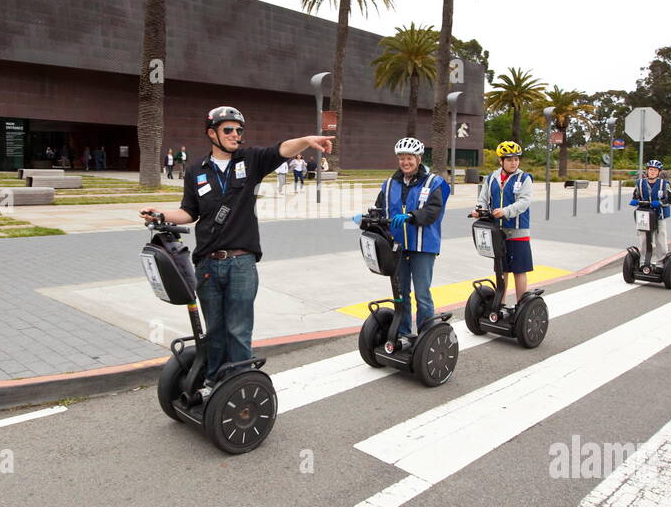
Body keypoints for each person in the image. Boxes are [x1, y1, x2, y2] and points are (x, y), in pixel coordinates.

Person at [140, 106, 333, 388]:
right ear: (212, 133)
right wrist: (161, 216)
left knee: (239, 330)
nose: (235, 135)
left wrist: (306, 141)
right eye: (228, 129)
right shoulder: (196, 171)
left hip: (241, 263)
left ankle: (239, 387)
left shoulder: (250, 160)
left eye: (239, 130)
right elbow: (189, 212)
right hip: (207, 264)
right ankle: (213, 384)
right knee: (215, 332)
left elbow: (281, 149)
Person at [370, 137, 450, 345]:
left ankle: (426, 336)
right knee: (401, 292)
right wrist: (366, 218)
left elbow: (433, 211)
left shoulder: (434, 183)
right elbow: (379, 207)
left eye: (410, 158)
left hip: (423, 246)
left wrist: (413, 216)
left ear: (419, 158)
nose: (405, 162)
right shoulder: (389, 184)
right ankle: (404, 332)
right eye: (402, 158)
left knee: (422, 294)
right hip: (397, 247)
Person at [475, 140, 534, 304]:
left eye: (516, 159)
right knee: (502, 270)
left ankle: (521, 308)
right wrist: (478, 210)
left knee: (519, 270)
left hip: (518, 231)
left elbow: (524, 202)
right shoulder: (491, 178)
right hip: (497, 232)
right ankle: (498, 306)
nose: (513, 162)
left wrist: (506, 212)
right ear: (501, 161)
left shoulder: (524, 178)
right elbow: (483, 198)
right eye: (509, 159)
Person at [629, 158, 671, 265]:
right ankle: (644, 260)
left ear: (659, 172)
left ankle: (661, 261)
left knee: (660, 238)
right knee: (643, 238)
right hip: (644, 214)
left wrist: (660, 203)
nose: (652, 172)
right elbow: (636, 195)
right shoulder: (639, 183)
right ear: (647, 171)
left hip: (659, 215)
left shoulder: (664, 184)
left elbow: (670, 199)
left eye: (655, 170)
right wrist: (635, 201)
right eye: (650, 169)